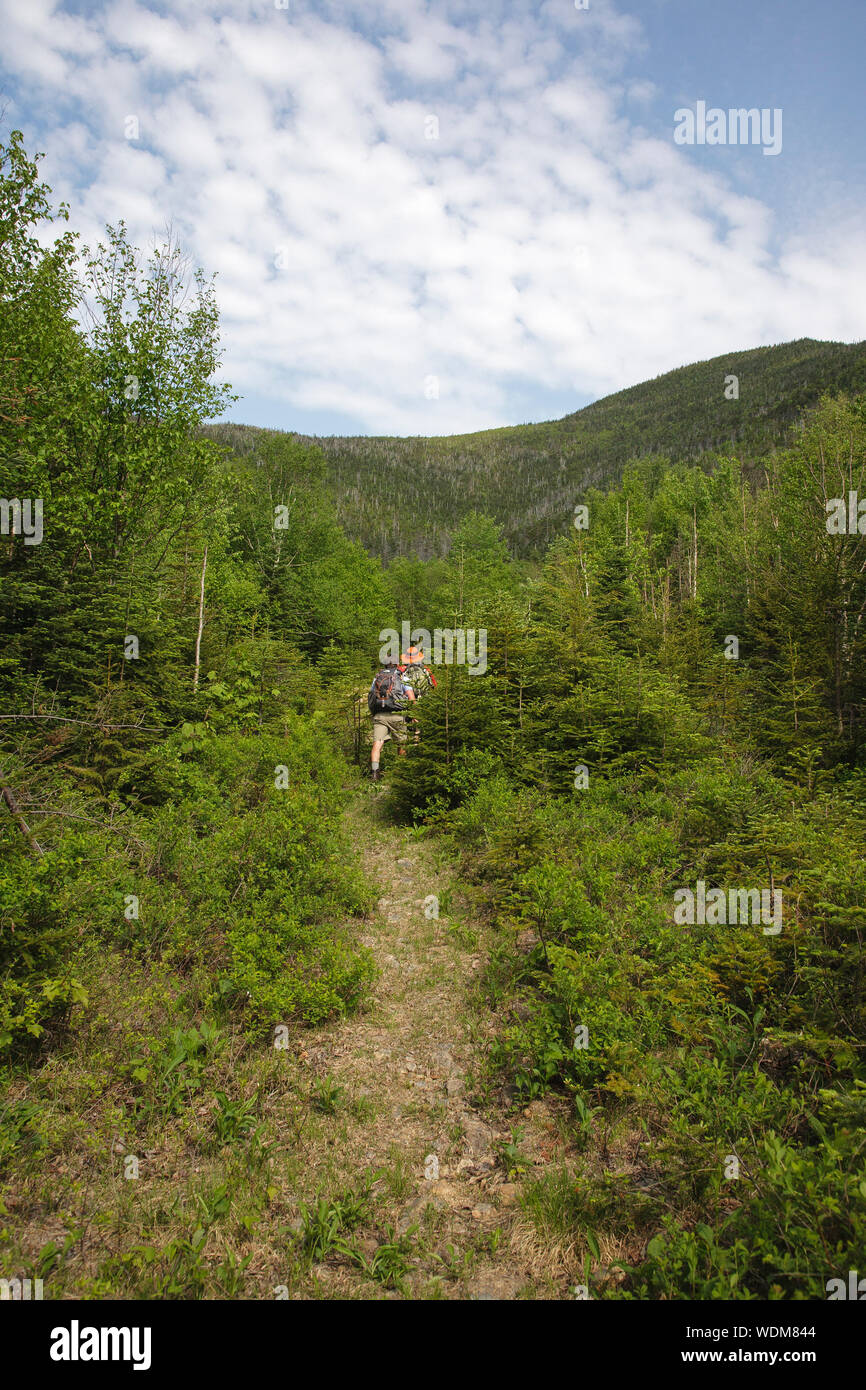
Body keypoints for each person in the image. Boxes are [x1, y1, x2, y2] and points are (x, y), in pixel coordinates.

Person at [369, 660, 416, 782]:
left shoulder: (377, 677)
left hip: (380, 715)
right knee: (402, 744)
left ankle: (374, 773)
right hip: (397, 715)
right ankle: (401, 772)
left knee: (377, 744)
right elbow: (411, 698)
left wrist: (373, 713)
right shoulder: (401, 676)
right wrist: (414, 713)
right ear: (396, 664)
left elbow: (371, 697)